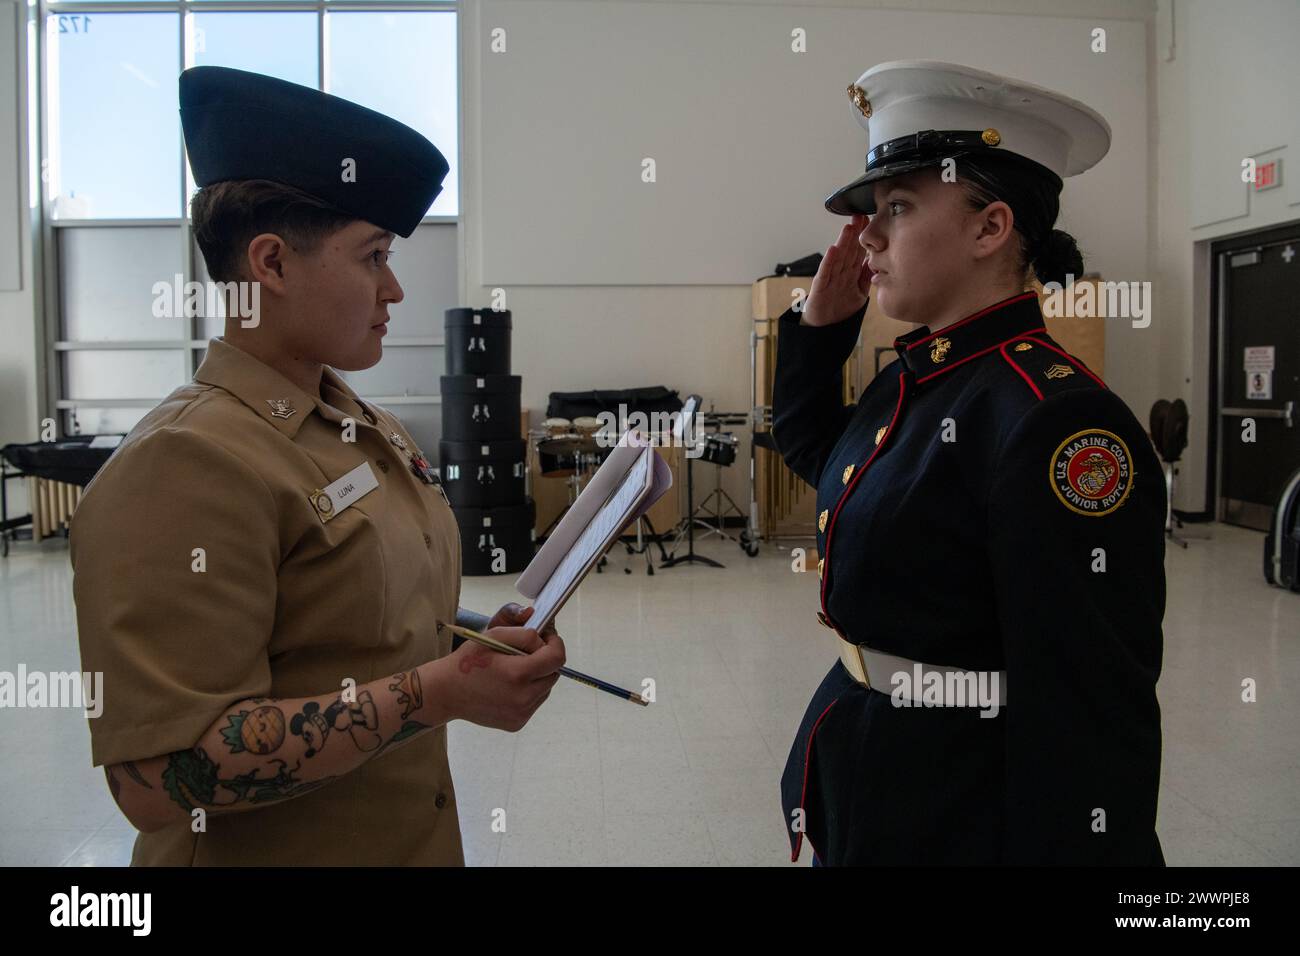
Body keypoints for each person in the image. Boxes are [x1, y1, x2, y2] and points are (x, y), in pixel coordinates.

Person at [70, 66, 565, 866]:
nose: (395, 287)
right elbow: (157, 777)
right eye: (372, 255)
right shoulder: (185, 464)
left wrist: (474, 648)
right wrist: (437, 693)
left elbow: (348, 627)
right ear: (270, 264)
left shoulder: (358, 426)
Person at [773, 60, 1166, 865]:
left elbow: (1092, 707)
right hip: (870, 767)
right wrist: (818, 335)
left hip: (957, 805)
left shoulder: (1056, 421)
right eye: (871, 213)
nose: (868, 238)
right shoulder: (917, 375)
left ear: (990, 229)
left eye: (899, 207)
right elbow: (834, 468)